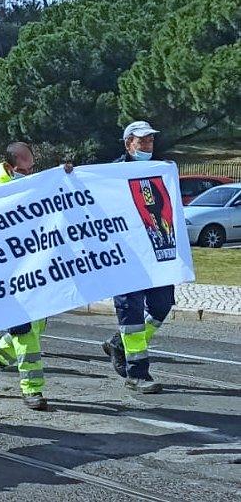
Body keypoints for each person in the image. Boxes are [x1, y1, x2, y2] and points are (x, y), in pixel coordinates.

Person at [0, 141, 59, 411]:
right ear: (9, 167)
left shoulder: (33, 186)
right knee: (25, 330)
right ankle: (32, 389)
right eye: (24, 170)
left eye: (32, 169)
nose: (30, 174)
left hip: (34, 270)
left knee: (37, 326)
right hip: (7, 276)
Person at [102, 121, 173, 394]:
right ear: (128, 143)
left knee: (162, 304)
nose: (147, 145)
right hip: (126, 256)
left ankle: (118, 344)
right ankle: (137, 373)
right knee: (131, 313)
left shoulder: (159, 169)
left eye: (150, 141)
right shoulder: (111, 173)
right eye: (142, 141)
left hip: (155, 253)